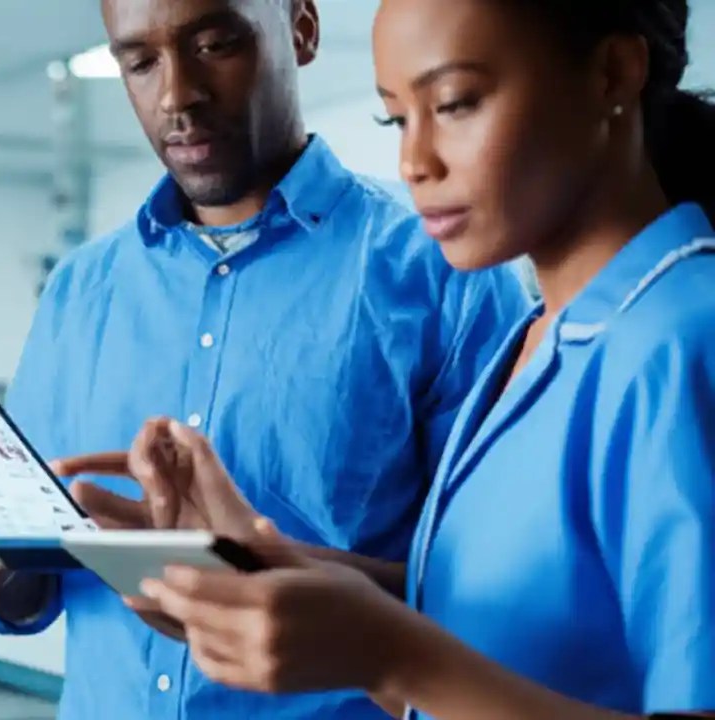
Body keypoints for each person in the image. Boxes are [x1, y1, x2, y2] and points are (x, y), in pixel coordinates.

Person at [86, 0, 715, 718]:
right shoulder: (538, 343)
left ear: (612, 73)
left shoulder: (683, 342)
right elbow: (495, 626)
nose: (414, 163)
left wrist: (392, 655)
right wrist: (265, 569)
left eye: (454, 104)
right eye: (397, 118)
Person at [0, 0, 530, 717]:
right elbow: (23, 595)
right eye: (139, 62)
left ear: (303, 28)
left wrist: (260, 574)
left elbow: (502, 594)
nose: (176, 94)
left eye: (216, 44)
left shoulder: (442, 274)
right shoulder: (79, 292)